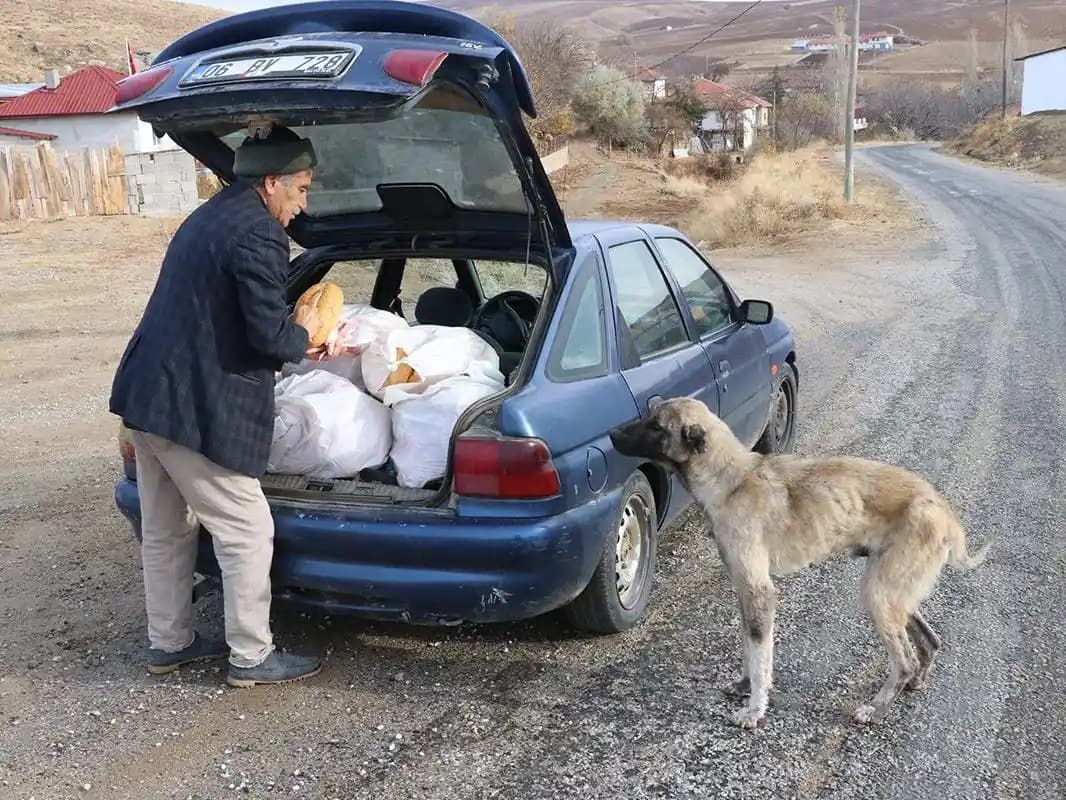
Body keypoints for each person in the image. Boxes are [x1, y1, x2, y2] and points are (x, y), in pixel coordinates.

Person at [110, 126, 326, 687]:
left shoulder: (211, 215)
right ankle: (252, 656)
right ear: (271, 182)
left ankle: (170, 644)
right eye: (300, 190)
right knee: (247, 528)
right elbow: (265, 337)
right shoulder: (259, 234)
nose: (303, 205)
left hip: (147, 393)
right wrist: (305, 336)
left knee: (166, 528)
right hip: (190, 405)